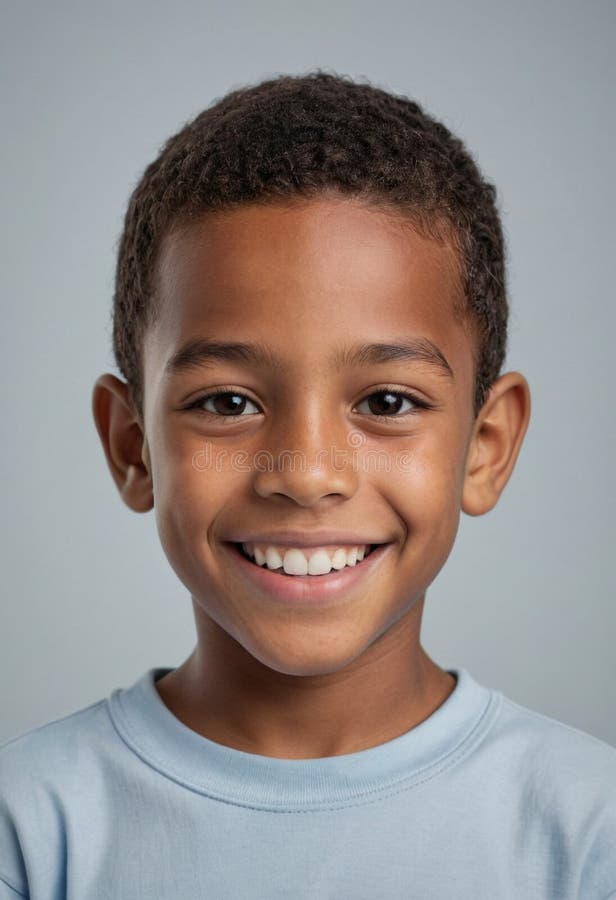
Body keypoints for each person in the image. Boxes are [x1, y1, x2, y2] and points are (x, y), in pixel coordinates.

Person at [1, 70, 614, 900]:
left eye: (387, 402)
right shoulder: (32, 828)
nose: (307, 475)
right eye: (228, 402)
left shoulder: (586, 831)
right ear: (132, 446)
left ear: (486, 446)